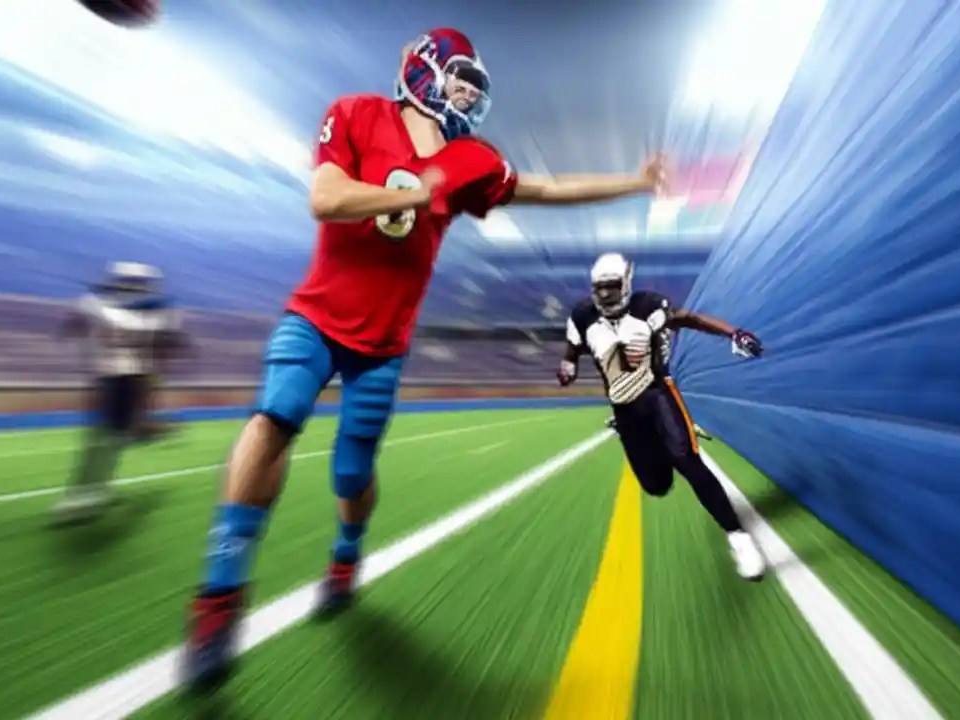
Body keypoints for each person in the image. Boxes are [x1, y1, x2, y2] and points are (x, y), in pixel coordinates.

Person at [181, 28, 668, 693]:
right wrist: (413, 193)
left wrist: (634, 182)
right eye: (461, 77)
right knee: (274, 417)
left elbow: (550, 189)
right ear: (424, 70)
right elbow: (326, 199)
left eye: (475, 86)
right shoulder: (356, 114)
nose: (469, 93)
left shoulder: (471, 160)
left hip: (383, 344)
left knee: (352, 472)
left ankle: (346, 555)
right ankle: (219, 595)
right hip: (316, 316)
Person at [557, 252, 768, 580]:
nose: (606, 294)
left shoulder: (648, 307)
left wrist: (733, 333)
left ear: (626, 283)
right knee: (657, 485)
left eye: (612, 286)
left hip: (657, 395)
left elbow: (689, 319)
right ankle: (662, 441)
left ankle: (738, 536)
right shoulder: (582, 316)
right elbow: (572, 351)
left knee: (688, 461)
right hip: (624, 409)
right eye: (600, 288)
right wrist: (568, 365)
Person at [53, 261, 186, 523]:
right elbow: (166, 348)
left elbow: (75, 325)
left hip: (126, 379)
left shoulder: (106, 307)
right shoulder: (156, 313)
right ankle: (91, 491)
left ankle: (88, 493)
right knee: (106, 437)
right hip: (118, 379)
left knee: (105, 438)